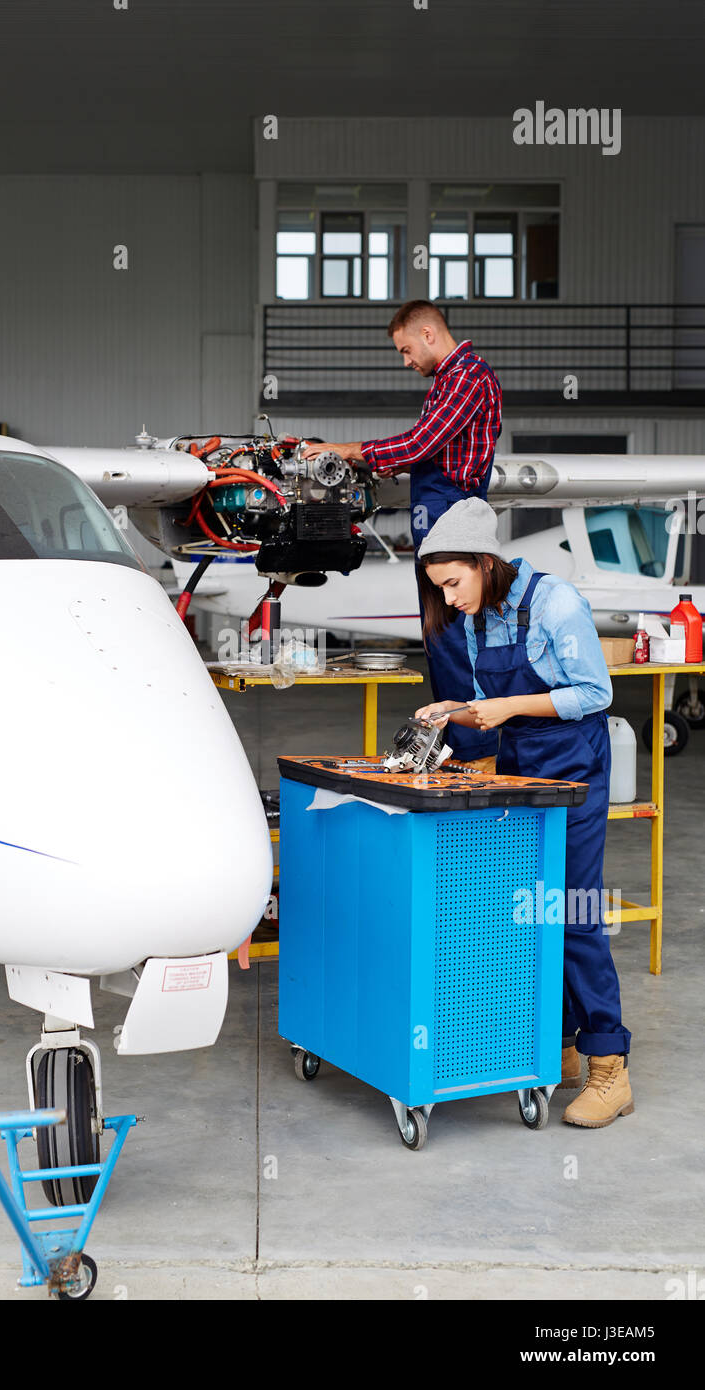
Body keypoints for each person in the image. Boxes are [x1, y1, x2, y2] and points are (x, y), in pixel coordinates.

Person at [414, 496, 633, 1128]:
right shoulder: (480, 615)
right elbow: (489, 696)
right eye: (441, 589)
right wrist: (451, 711)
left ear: (485, 562)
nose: (451, 599)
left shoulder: (557, 603)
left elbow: (596, 693)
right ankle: (559, 1046)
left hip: (574, 771)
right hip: (520, 770)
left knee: (575, 911)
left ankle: (609, 1067)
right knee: (523, 914)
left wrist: (509, 712)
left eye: (454, 583)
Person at [302, 300, 502, 763]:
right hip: (437, 519)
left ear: (429, 334)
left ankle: (477, 749)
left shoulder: (468, 375)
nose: (407, 361)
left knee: (456, 634)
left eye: (407, 350)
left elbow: (419, 444)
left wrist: (343, 451)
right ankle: (457, 740)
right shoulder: (449, 381)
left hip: (452, 517)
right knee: (439, 633)